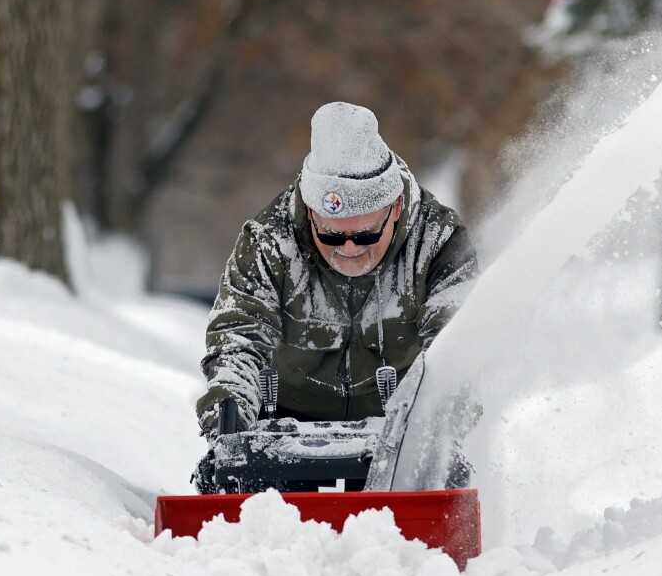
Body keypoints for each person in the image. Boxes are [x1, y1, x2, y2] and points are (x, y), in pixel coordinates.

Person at [193, 101, 478, 492]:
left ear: (394, 208)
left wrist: (442, 415)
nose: (347, 249)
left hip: (399, 427)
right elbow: (237, 338)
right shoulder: (269, 240)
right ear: (311, 214)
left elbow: (457, 342)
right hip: (283, 425)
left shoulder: (438, 242)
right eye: (330, 235)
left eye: (364, 236)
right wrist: (230, 412)